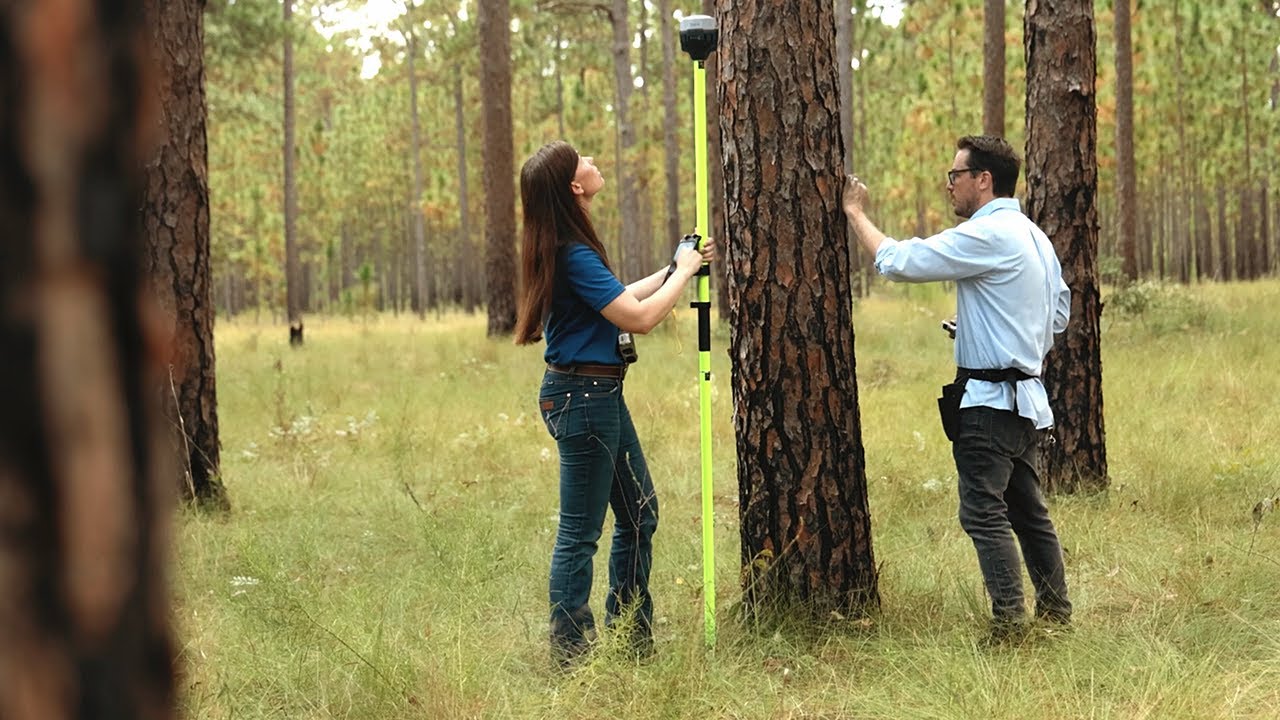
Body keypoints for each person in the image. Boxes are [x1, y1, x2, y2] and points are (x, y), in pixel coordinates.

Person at [841, 135, 1073, 641]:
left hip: (989, 405)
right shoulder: (1035, 237)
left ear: (983, 180)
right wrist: (991, 333)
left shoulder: (988, 235)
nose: (950, 186)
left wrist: (855, 212)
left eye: (955, 176)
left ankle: (1009, 626)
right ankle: (1056, 616)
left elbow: (899, 261)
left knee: (983, 513)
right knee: (1029, 514)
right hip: (1027, 402)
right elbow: (1056, 316)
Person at [514, 141, 715, 666]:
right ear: (573, 188)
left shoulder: (567, 247)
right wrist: (686, 274)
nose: (593, 162)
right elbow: (639, 318)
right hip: (584, 399)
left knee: (640, 512)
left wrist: (673, 266)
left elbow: (619, 296)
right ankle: (571, 657)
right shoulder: (571, 251)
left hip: (593, 394)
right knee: (580, 534)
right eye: (583, 161)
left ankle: (630, 634)